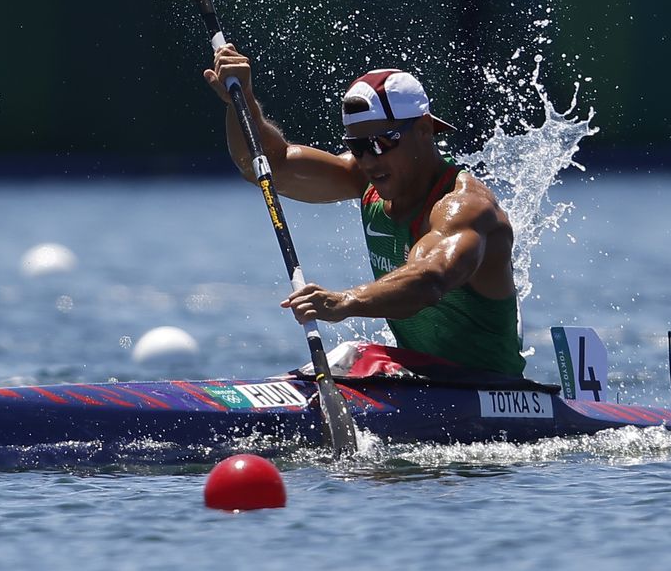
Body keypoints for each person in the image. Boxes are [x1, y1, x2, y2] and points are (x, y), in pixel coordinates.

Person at [205, 45, 525, 377]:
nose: (369, 161)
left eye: (381, 143)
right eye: (357, 146)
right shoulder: (364, 179)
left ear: (425, 130)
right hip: (424, 380)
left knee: (356, 355)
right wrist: (242, 102)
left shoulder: (467, 208)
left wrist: (345, 301)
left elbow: (429, 280)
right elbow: (265, 165)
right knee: (356, 356)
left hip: (488, 387)